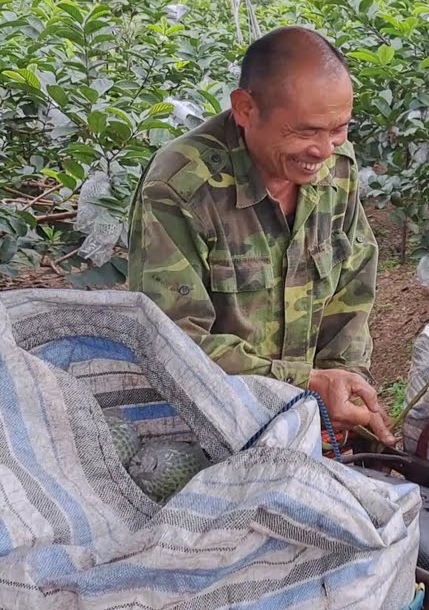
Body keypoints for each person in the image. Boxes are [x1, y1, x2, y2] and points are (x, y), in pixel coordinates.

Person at [126, 26, 395, 446]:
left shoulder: (337, 167)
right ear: (246, 109)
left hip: (310, 423)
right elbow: (173, 343)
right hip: (211, 427)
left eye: (339, 128)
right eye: (306, 131)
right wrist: (302, 386)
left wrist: (343, 383)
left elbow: (352, 289)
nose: (324, 150)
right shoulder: (181, 187)